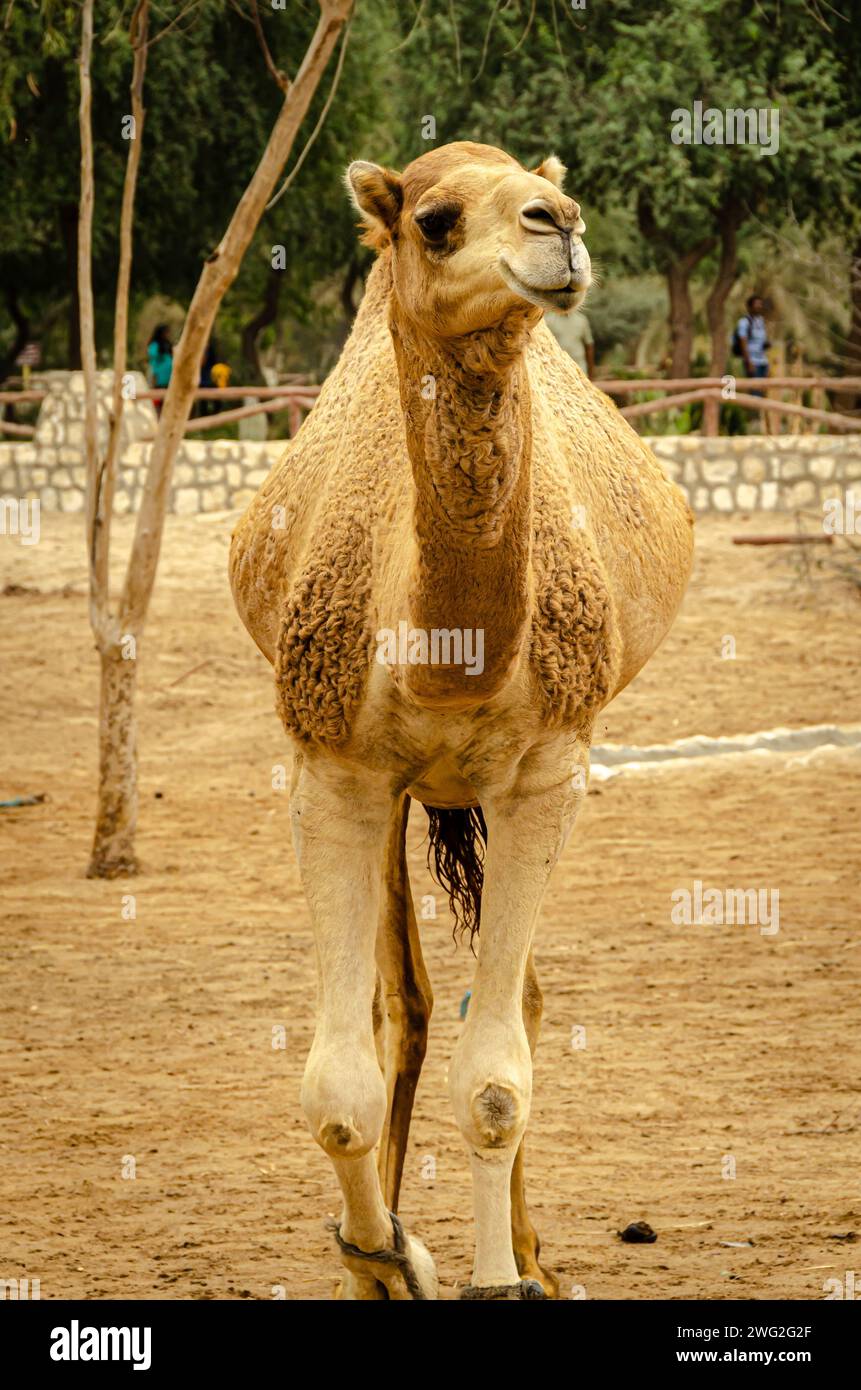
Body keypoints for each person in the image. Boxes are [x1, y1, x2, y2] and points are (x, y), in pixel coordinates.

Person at [548, 306, 595, 378]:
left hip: (579, 366)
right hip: (557, 367)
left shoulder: (581, 320)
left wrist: (591, 371)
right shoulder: (549, 320)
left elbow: (589, 345)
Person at [734, 295, 770, 386]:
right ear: (750, 306)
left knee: (762, 388)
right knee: (755, 390)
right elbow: (743, 343)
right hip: (753, 362)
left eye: (760, 304)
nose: (759, 306)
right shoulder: (744, 322)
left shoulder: (760, 321)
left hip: (763, 361)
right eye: (756, 304)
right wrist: (748, 362)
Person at [147, 325, 173, 411]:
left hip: (168, 376)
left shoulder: (168, 343)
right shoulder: (154, 345)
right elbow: (153, 356)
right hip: (158, 375)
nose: (168, 334)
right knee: (158, 397)